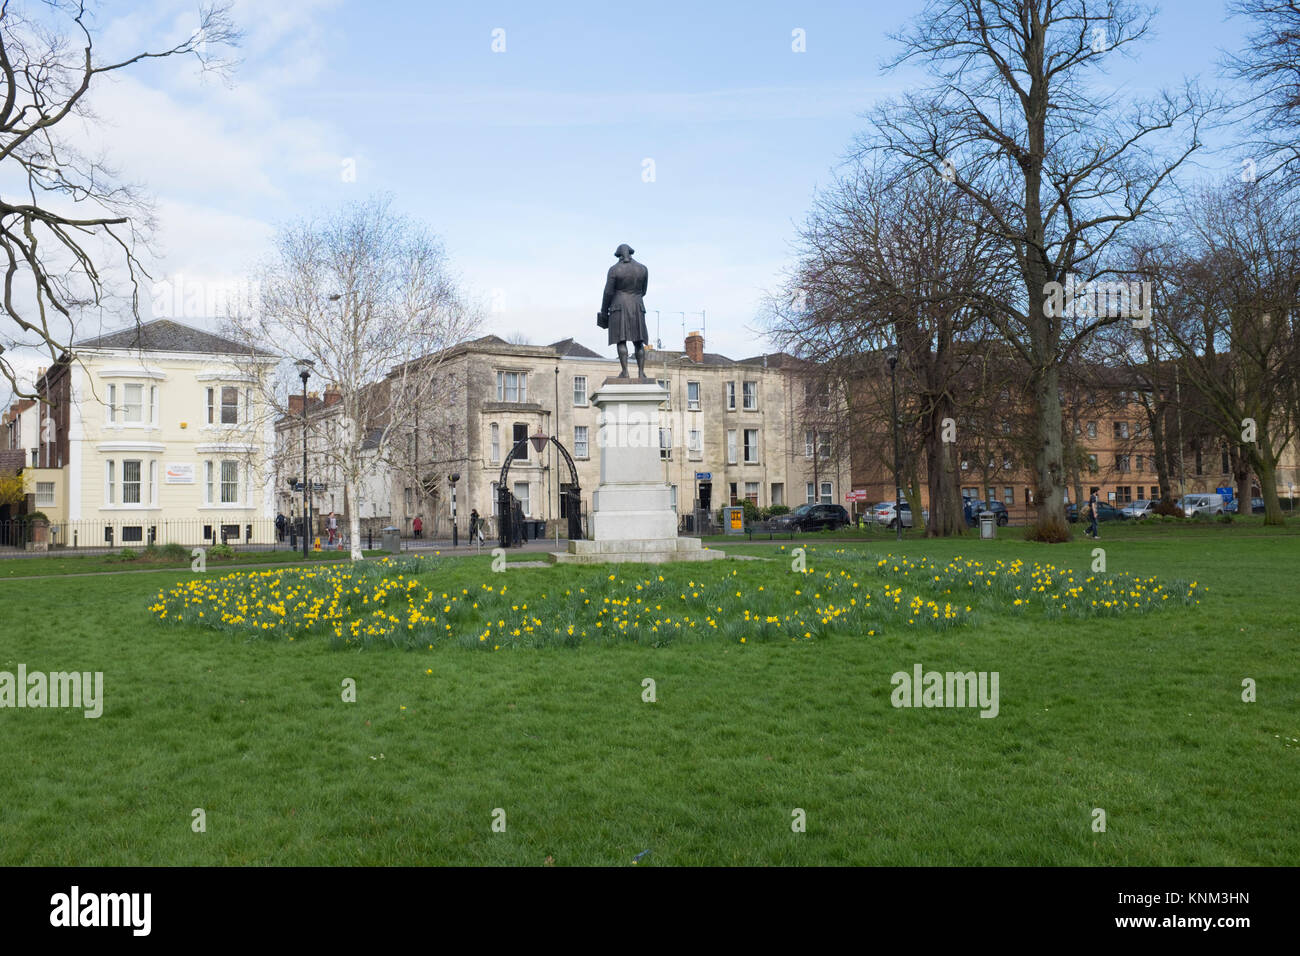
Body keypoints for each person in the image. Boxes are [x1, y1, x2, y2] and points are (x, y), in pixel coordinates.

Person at [598, 243, 650, 378]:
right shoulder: (643, 269)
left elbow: (608, 292)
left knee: (621, 340)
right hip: (637, 305)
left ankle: (625, 371)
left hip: (619, 306)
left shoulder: (614, 269)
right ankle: (641, 372)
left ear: (619, 255)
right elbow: (643, 291)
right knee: (638, 341)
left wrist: (604, 311)